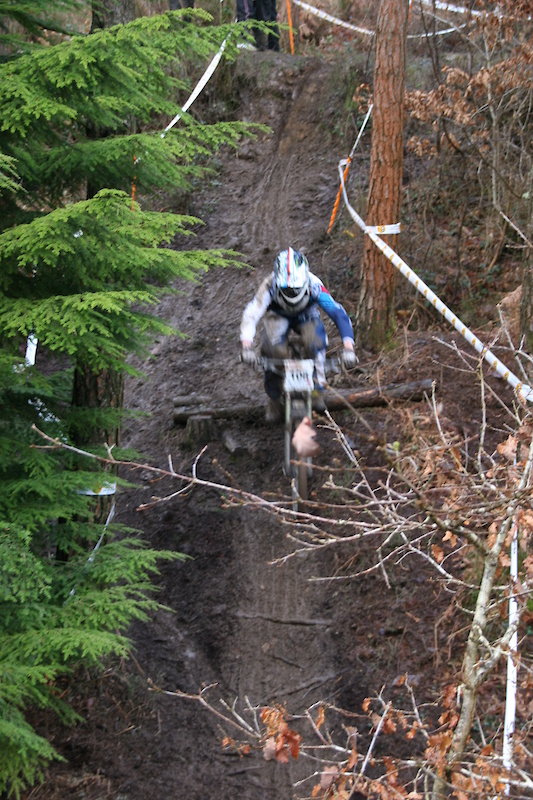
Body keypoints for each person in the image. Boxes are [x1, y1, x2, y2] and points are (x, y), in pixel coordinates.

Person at [240, 247, 357, 422]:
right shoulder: (269, 286)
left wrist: (349, 348)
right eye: (287, 290)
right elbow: (252, 314)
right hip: (277, 316)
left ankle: (317, 388)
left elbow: (338, 313)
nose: (291, 293)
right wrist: (246, 346)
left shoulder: (314, 285)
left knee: (315, 343)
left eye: (295, 289)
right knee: (273, 351)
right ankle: (274, 396)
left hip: (306, 315)